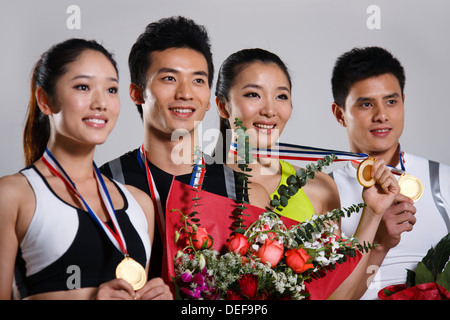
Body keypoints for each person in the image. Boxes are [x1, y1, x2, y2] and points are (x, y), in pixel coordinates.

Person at [214, 48, 401, 299]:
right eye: (253, 94)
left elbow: (338, 296)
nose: (270, 110)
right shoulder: (198, 185)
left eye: (281, 96)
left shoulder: (319, 188)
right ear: (222, 106)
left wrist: (373, 213)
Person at [0, 38, 172, 300]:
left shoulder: (140, 204)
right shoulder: (13, 196)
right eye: (83, 87)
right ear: (45, 100)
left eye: (111, 90)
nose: (101, 103)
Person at [100, 16, 267, 281]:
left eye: (198, 81)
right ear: (136, 92)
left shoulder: (245, 194)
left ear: (210, 100)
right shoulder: (104, 184)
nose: (186, 94)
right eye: (169, 78)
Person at [330, 46, 450, 299]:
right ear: (340, 114)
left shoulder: (443, 180)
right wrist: (379, 241)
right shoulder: (324, 192)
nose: (382, 115)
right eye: (366, 104)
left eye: (391, 101)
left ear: (403, 103)